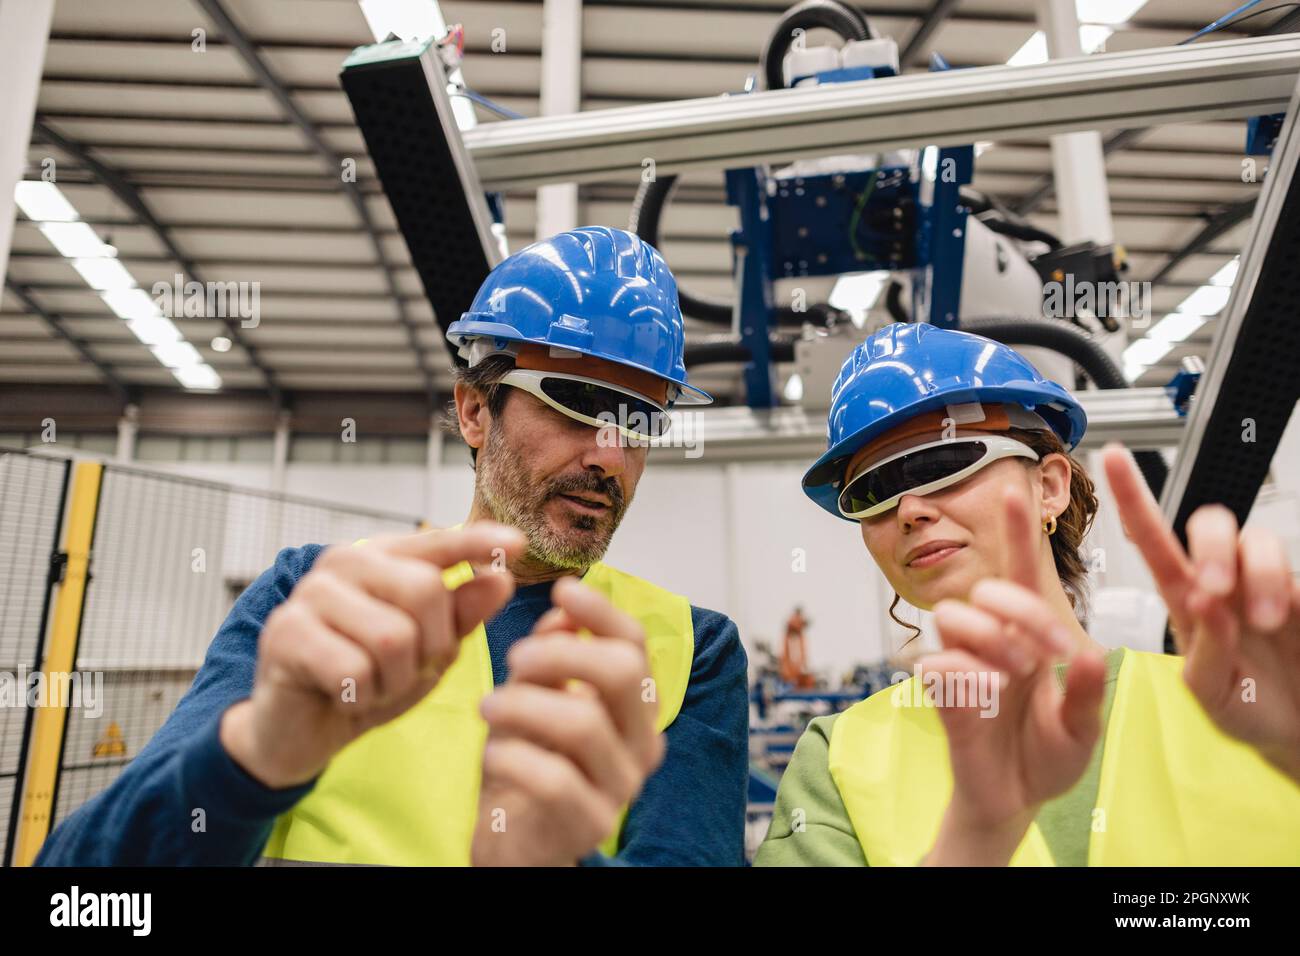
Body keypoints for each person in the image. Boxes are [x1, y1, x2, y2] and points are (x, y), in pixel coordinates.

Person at [37, 227, 749, 867]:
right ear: (475, 410)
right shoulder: (316, 598)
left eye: (641, 420)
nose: (611, 456)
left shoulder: (693, 653)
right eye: (579, 402)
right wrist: (254, 759)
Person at [756, 322, 1300, 866]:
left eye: (943, 465)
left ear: (1050, 486)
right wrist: (973, 840)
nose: (909, 511)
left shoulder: (1251, 706)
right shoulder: (838, 762)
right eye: (873, 492)